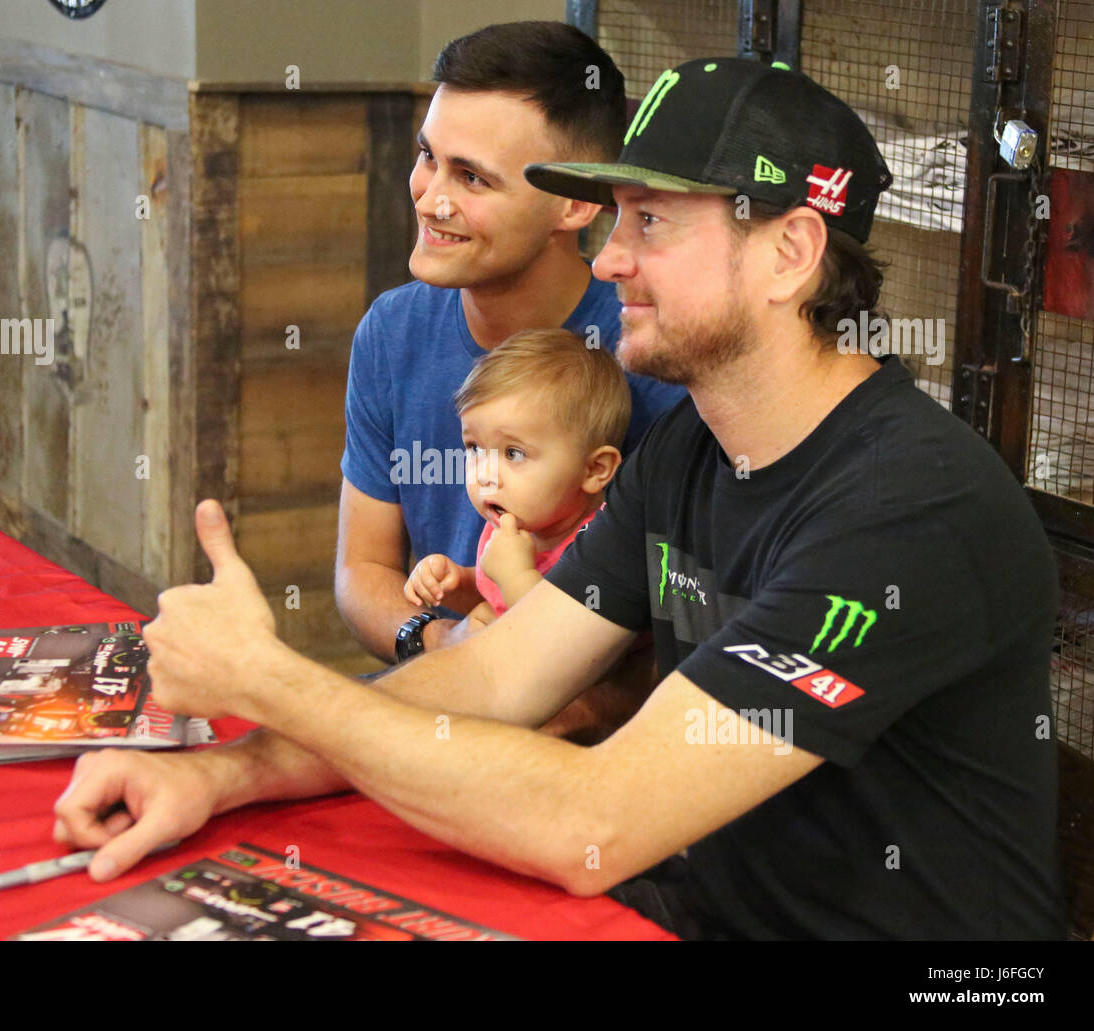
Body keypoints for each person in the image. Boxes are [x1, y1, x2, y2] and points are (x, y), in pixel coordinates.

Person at [54, 57, 1066, 939]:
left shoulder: (910, 510)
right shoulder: (688, 450)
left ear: (790, 253)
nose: (610, 257)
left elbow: (595, 821)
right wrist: (221, 775)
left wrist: (268, 679)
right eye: (616, 219)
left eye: (653, 222)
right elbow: (491, 676)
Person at [338, 21, 685, 666]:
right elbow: (361, 570)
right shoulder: (392, 329)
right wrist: (440, 643)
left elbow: (659, 642)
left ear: (576, 205)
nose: (430, 199)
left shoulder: (655, 357)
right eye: (427, 158)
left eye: (471, 178)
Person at [404, 329, 628, 632]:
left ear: (594, 470)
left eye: (514, 453)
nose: (485, 475)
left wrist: (517, 577)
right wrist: (458, 584)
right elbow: (496, 597)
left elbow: (565, 645)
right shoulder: (512, 520)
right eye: (475, 448)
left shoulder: (602, 545)